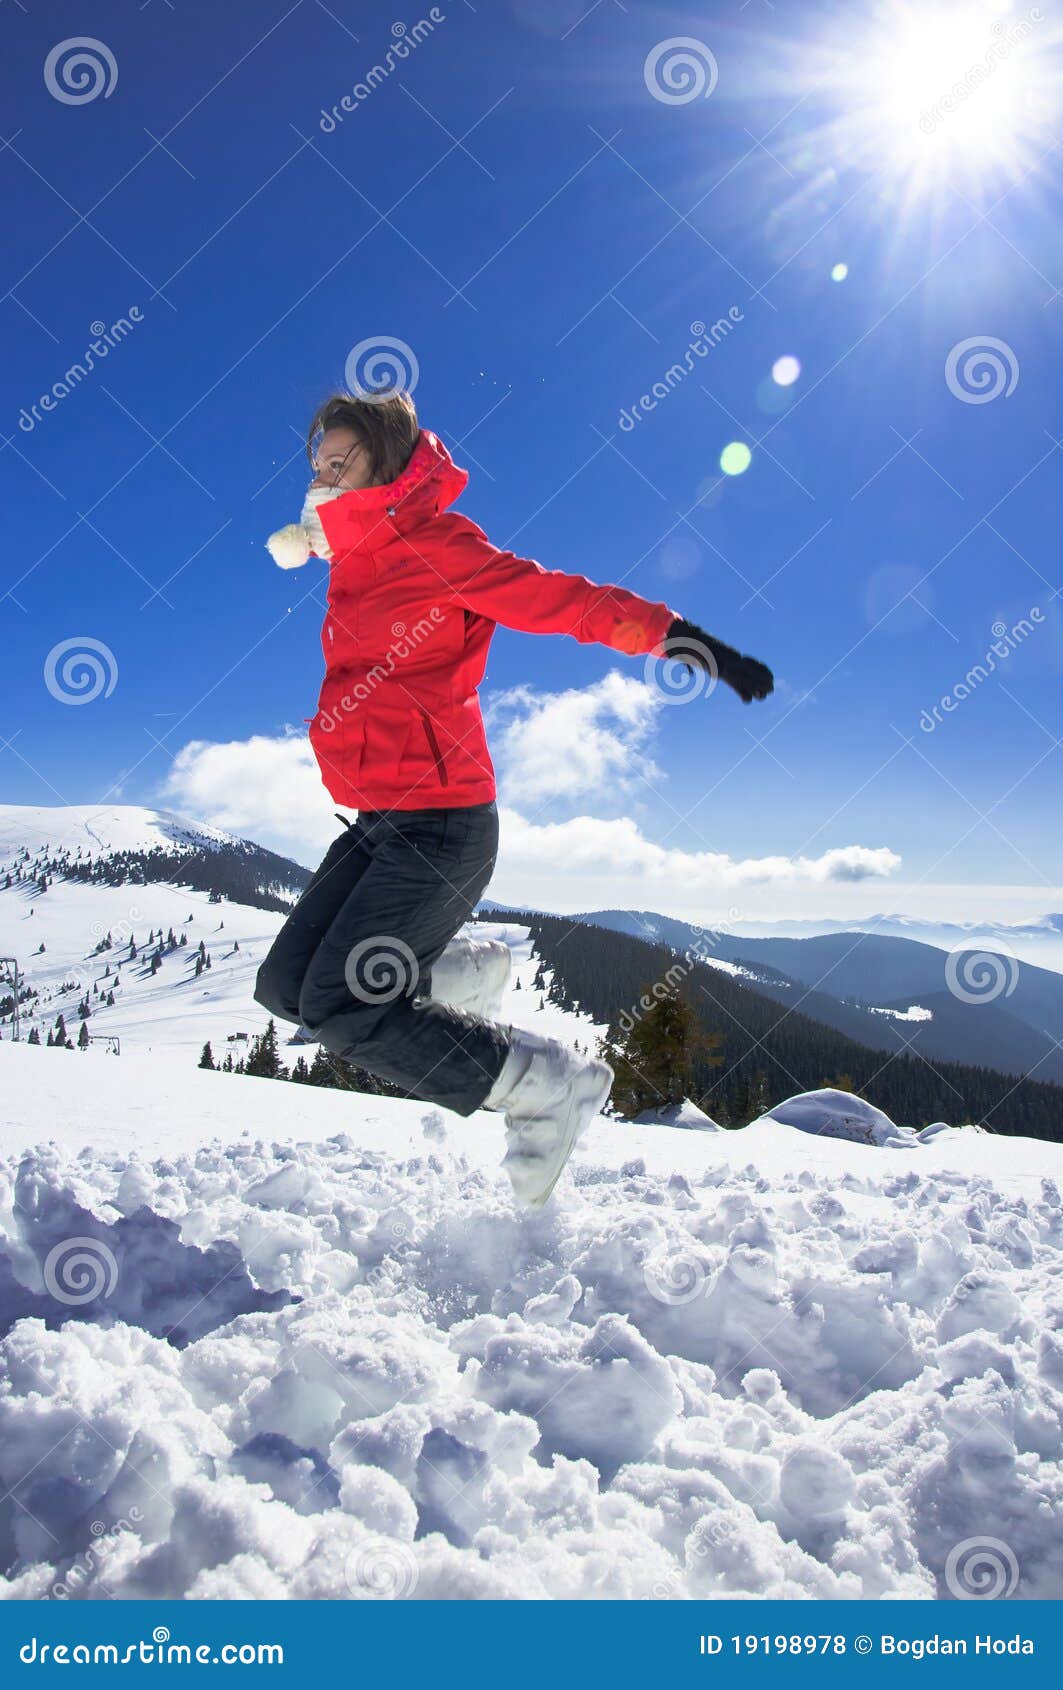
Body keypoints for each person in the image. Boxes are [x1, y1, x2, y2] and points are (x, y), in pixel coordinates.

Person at [255, 390, 773, 1207]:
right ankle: (453, 979)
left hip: (442, 825)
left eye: (340, 462)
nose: (321, 477)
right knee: (285, 991)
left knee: (345, 1007)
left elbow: (559, 599)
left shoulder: (434, 544)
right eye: (317, 463)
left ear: (383, 466)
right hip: (377, 823)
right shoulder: (352, 554)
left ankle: (548, 1088)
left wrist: (686, 641)